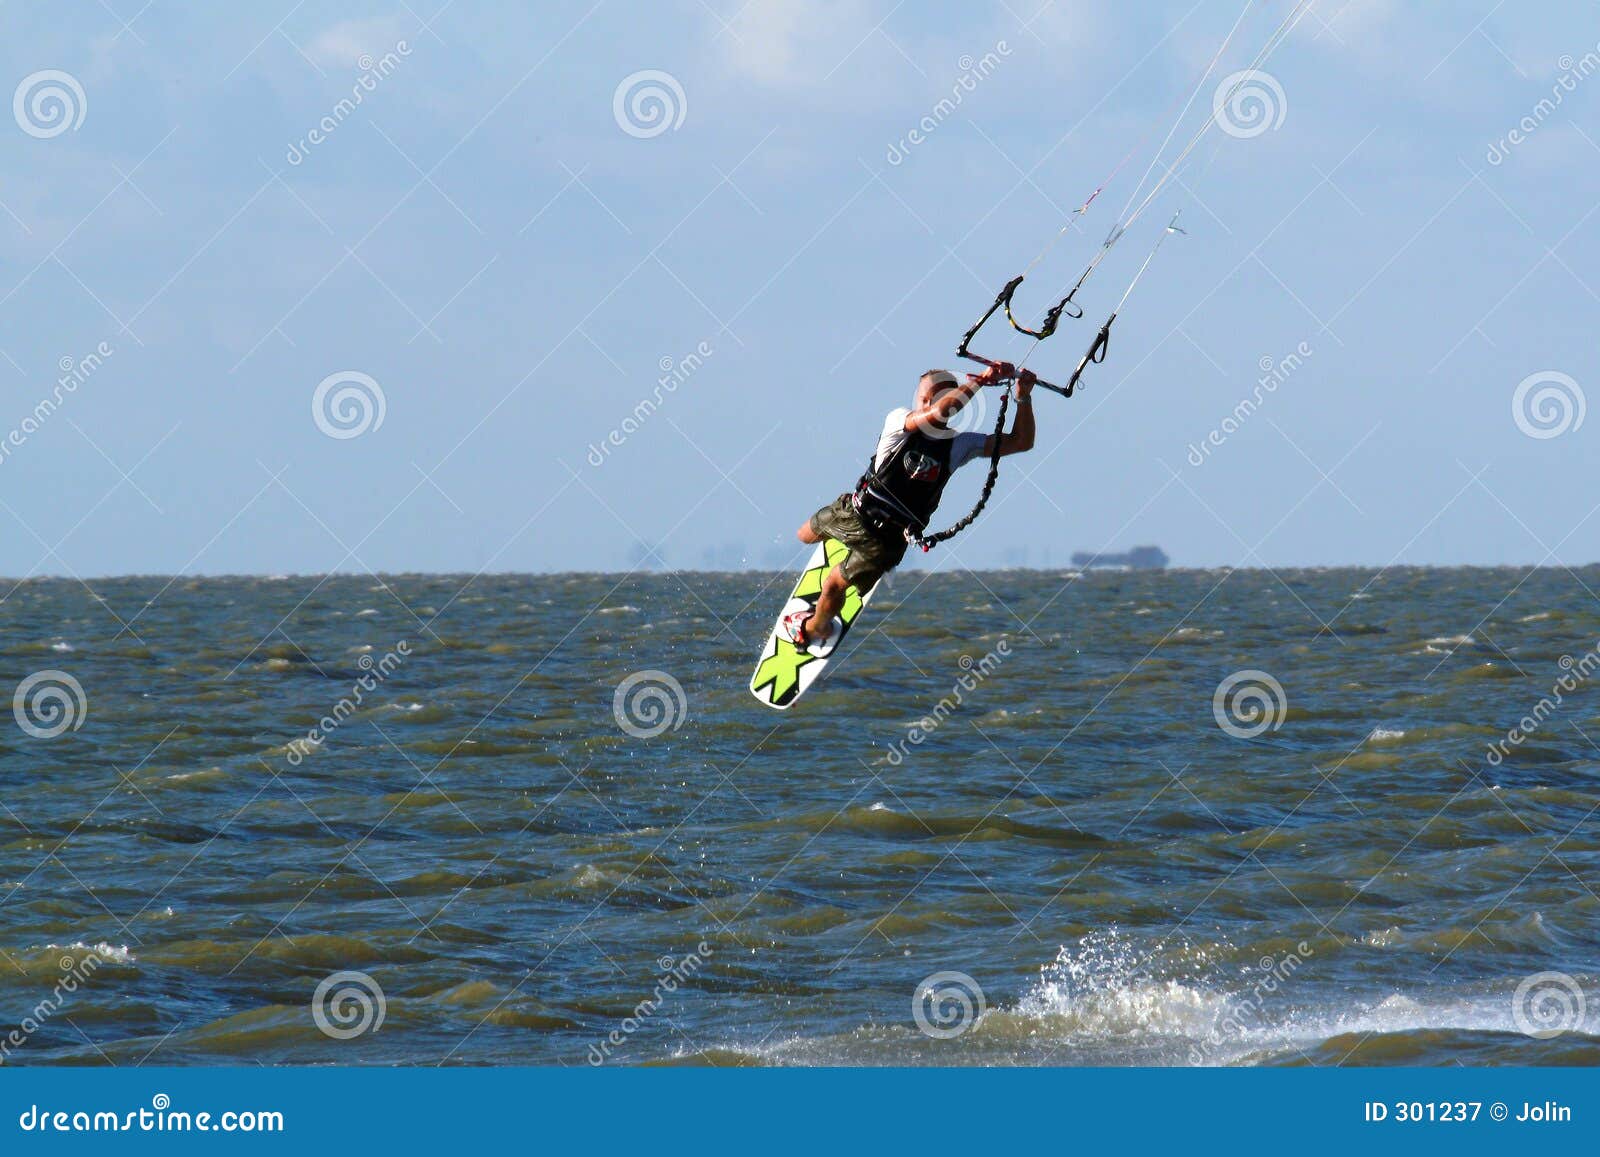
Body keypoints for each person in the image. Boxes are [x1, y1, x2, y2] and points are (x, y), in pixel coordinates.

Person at [786, 361, 1037, 654]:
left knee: (832, 586)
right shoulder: (899, 420)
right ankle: (841, 549)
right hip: (854, 512)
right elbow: (938, 413)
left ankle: (815, 628)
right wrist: (981, 380)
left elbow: (1022, 442)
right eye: (924, 398)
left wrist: (1023, 397)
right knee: (803, 534)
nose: (928, 403)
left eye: (935, 397)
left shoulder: (959, 445)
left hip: (886, 541)